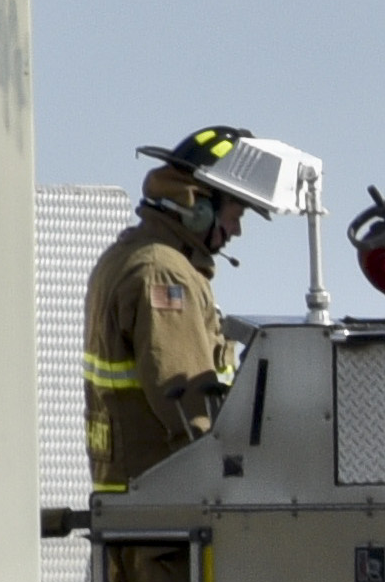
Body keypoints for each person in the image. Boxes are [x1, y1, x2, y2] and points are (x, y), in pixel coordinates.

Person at [85, 128, 292, 494]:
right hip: (169, 513)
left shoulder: (131, 255)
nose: (237, 230)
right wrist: (227, 491)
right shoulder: (163, 273)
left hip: (141, 504)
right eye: (235, 212)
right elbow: (189, 410)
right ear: (198, 206)